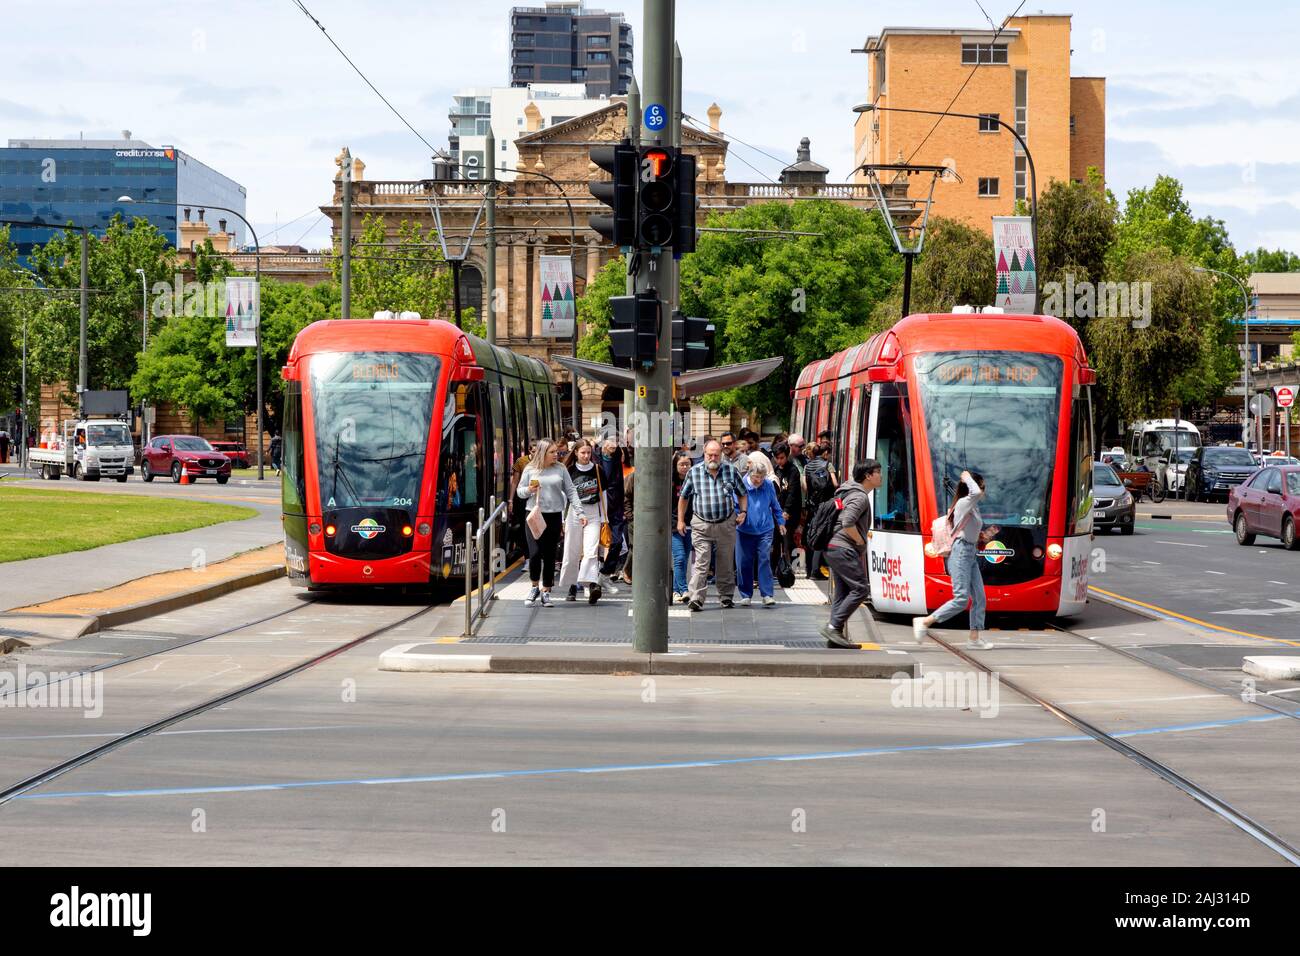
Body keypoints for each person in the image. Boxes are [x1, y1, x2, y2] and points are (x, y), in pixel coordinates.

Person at [913, 470, 993, 650]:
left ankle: (974, 638)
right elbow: (976, 493)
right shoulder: (965, 502)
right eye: (983, 486)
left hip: (970, 551)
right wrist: (967, 478)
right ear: (975, 486)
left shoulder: (972, 505)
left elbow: (967, 528)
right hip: (961, 552)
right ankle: (925, 622)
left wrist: (980, 537)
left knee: (979, 597)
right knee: (961, 598)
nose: (984, 491)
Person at [819, 460, 883, 649]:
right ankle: (833, 627)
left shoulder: (847, 491)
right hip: (842, 547)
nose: (881, 475)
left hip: (834, 546)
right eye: (878, 472)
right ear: (868, 476)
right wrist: (860, 541)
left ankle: (835, 636)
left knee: (843, 592)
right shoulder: (860, 497)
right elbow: (847, 522)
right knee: (861, 589)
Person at [678, 439, 747, 611]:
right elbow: (684, 497)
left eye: (716, 455)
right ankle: (696, 598)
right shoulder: (694, 472)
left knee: (725, 562)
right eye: (710, 454)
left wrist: (744, 512)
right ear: (704, 453)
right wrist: (680, 520)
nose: (713, 458)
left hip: (726, 523)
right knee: (702, 562)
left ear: (721, 455)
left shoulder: (731, 471)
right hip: (702, 524)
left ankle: (725, 596)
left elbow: (743, 494)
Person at [516, 438, 585, 608]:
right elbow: (519, 492)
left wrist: (580, 511)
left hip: (554, 516)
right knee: (534, 553)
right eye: (552, 452)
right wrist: (529, 490)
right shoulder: (530, 469)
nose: (557, 455)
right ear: (543, 453)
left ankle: (546, 591)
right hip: (534, 515)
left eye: (557, 452)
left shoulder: (560, 469)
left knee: (549, 555)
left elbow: (571, 491)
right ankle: (534, 586)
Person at [557, 439, 606, 604]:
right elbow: (564, 497)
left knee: (591, 551)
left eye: (588, 452)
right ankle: (572, 585)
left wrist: (604, 518)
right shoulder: (569, 470)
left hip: (593, 513)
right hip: (573, 513)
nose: (586, 456)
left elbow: (602, 494)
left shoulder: (598, 469)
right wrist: (562, 519)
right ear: (576, 453)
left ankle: (591, 584)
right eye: (583, 452)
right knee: (573, 551)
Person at [734, 455, 785, 607]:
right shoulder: (742, 484)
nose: (759, 481)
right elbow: (736, 505)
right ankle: (745, 594)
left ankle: (767, 594)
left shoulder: (768, 484)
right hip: (744, 530)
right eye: (756, 477)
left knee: (764, 559)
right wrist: (738, 517)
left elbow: (775, 505)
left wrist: (780, 522)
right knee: (744, 562)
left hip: (765, 529)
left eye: (762, 477)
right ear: (750, 474)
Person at [595, 438, 627, 593]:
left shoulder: (616, 457)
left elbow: (619, 485)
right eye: (610, 441)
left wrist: (623, 509)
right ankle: (587, 582)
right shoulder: (595, 457)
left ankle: (604, 574)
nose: (613, 445)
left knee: (617, 542)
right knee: (591, 547)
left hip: (615, 508)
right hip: (596, 507)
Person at [770, 441, 802, 576]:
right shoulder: (774, 470)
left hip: (789, 512)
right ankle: (776, 569)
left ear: (787, 456)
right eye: (777, 458)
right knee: (775, 541)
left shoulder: (793, 471)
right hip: (776, 511)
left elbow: (792, 493)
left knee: (788, 540)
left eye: (782, 458)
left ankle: (794, 567)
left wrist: (786, 511)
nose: (779, 461)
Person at [671, 451, 694, 603]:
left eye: (687, 464)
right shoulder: (670, 482)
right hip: (674, 525)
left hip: (691, 523)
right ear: (675, 465)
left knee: (684, 559)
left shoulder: (694, 480)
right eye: (681, 464)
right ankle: (684, 589)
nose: (685, 467)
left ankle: (675, 590)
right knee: (679, 557)